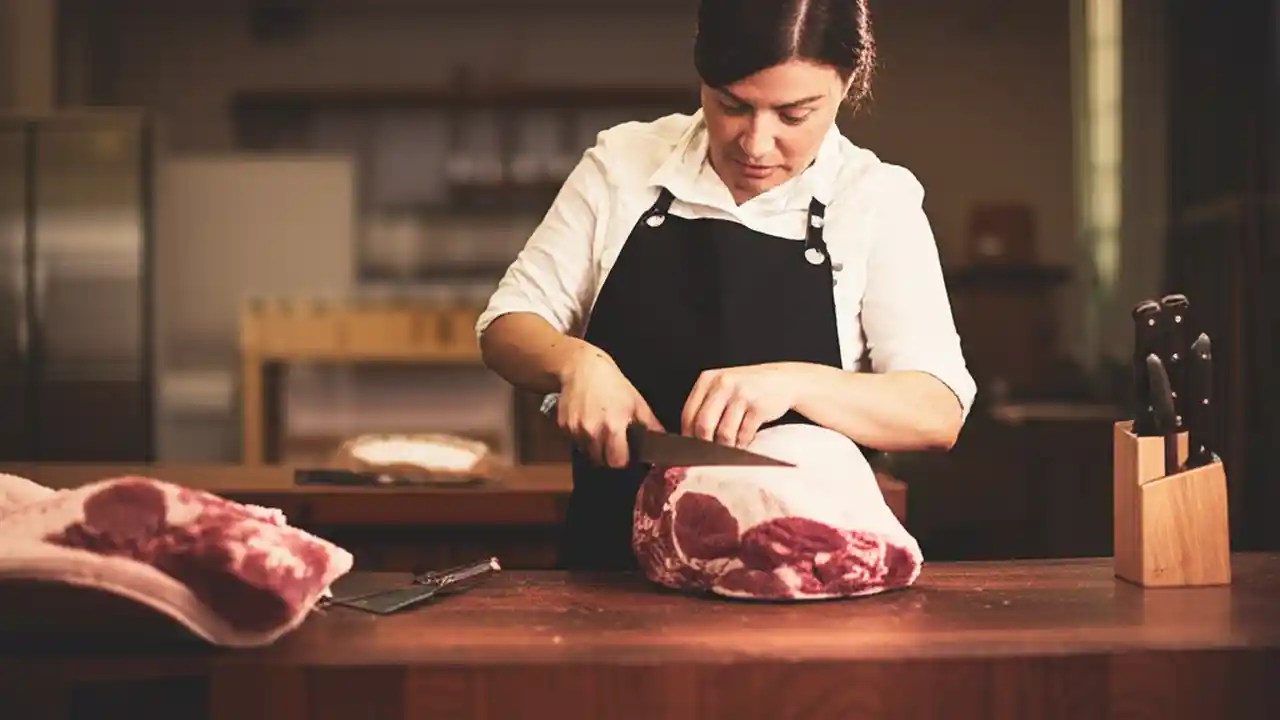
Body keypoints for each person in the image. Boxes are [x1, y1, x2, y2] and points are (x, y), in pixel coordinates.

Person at [475, 0, 976, 570]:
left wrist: (794, 383)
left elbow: (937, 410)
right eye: (731, 106)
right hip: (612, 574)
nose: (756, 144)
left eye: (793, 115)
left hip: (798, 580)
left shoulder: (876, 199)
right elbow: (505, 326)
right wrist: (576, 363)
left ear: (847, 83)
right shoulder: (625, 164)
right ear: (701, 76)